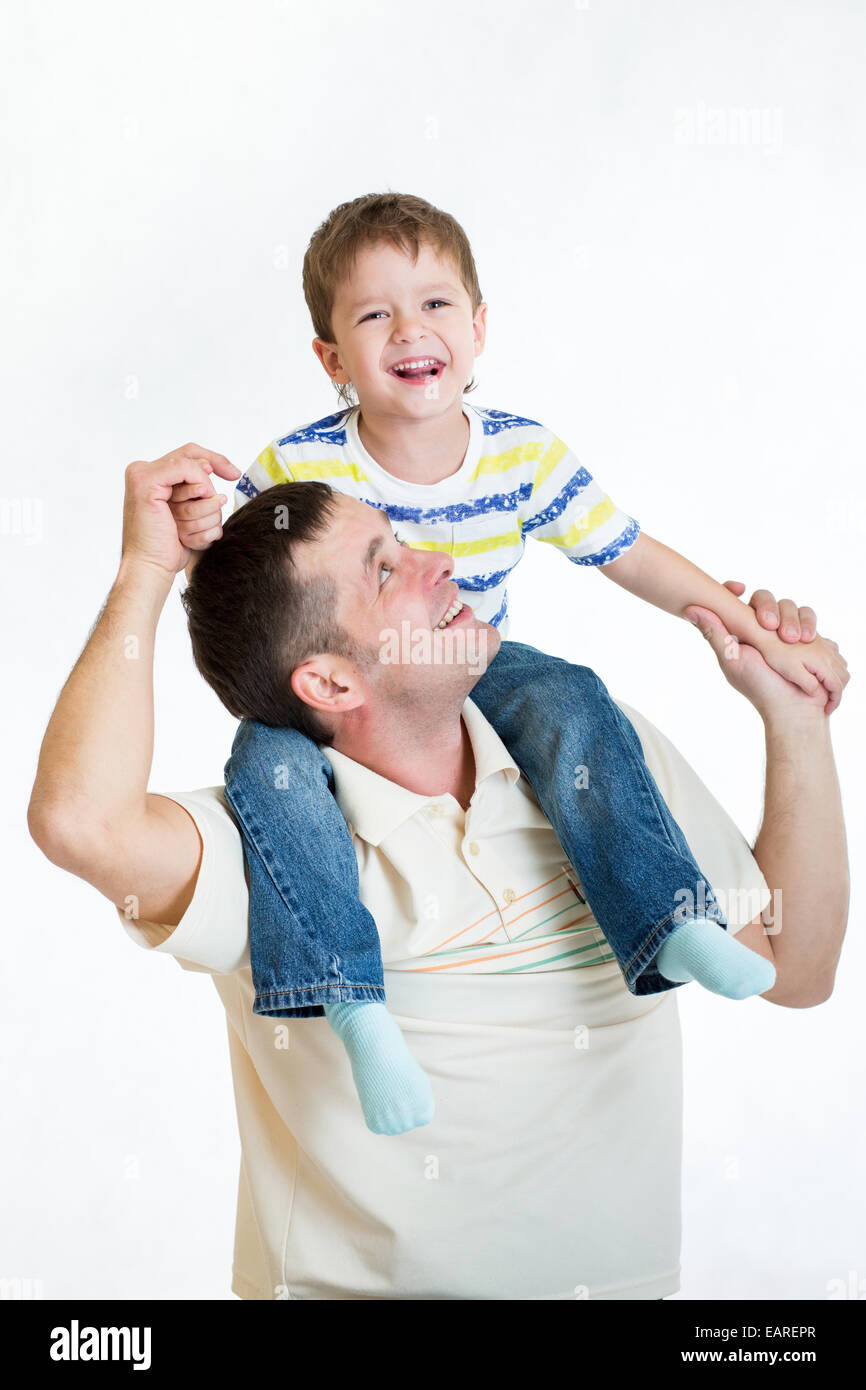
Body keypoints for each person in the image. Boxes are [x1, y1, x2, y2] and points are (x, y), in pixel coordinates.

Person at [27, 446, 849, 1300]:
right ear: (331, 680)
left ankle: (670, 932)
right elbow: (81, 821)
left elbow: (795, 969)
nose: (441, 559)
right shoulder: (266, 851)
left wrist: (796, 724)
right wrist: (144, 571)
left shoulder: (597, 761)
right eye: (385, 570)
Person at [167, 192, 848, 1134]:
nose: (412, 329)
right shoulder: (298, 466)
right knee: (270, 769)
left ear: (480, 329)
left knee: (569, 694)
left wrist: (749, 630)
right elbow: (241, 581)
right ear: (332, 360)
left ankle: (672, 916)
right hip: (329, 693)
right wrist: (197, 530)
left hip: (470, 664)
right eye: (375, 314)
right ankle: (355, 1005)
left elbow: (631, 552)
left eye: (438, 304)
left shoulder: (521, 454)